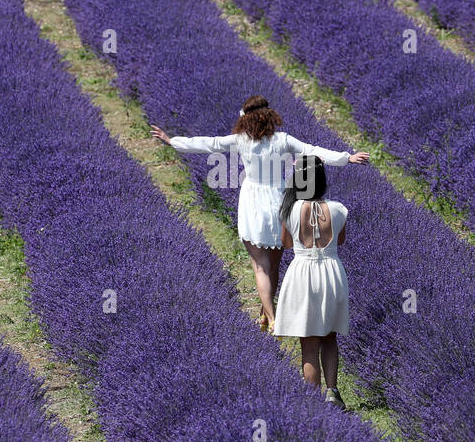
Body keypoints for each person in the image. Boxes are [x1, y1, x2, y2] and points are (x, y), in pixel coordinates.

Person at [151, 96, 368, 331]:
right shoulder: (282, 140)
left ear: (246, 119)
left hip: (253, 202)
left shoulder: (242, 141)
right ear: (270, 117)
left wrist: (173, 141)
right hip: (279, 200)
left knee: (260, 266)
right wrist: (347, 157)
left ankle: (271, 317)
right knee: (274, 265)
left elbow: (210, 144)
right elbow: (312, 151)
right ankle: (268, 313)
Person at [273, 155, 350, 409]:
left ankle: (313, 404)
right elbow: (339, 241)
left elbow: (285, 243)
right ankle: (332, 390)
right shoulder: (338, 209)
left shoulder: (290, 210)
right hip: (330, 273)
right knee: (329, 337)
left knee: (308, 344)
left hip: (302, 274)